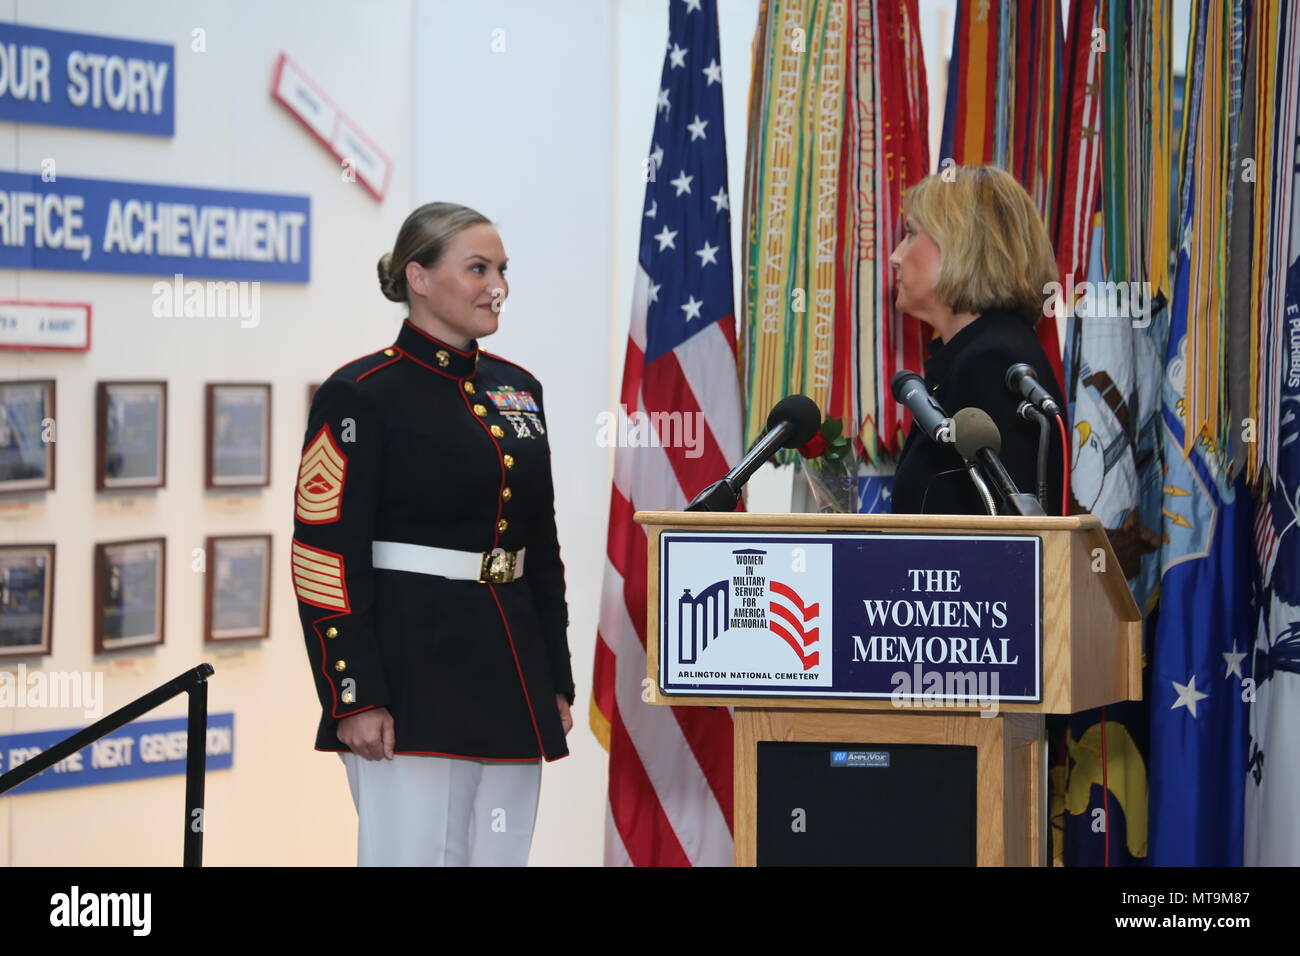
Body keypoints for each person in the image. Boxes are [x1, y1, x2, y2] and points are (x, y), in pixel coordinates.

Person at [291, 201, 575, 866]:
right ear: (418, 277)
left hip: (509, 674)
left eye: (502, 268)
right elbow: (323, 555)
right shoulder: (361, 393)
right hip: (410, 680)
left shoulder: (518, 390)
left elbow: (541, 547)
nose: (497, 284)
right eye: (477, 268)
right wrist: (352, 694)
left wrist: (554, 679)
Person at [888, 165, 1067, 517]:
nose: (896, 256)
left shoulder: (993, 362)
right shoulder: (977, 354)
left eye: (910, 234)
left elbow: (994, 539)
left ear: (962, 244)